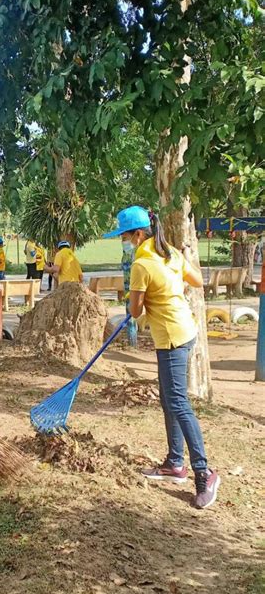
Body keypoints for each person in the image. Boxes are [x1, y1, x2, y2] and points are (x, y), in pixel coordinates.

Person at [103, 205, 220, 510]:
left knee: (178, 402)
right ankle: (174, 463)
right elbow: (197, 281)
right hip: (184, 331)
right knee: (169, 399)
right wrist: (176, 275)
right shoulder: (171, 255)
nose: (124, 242)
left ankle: (204, 473)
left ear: (139, 234)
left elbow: (135, 311)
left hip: (170, 338)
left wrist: (136, 296)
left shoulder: (142, 263)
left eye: (125, 237)